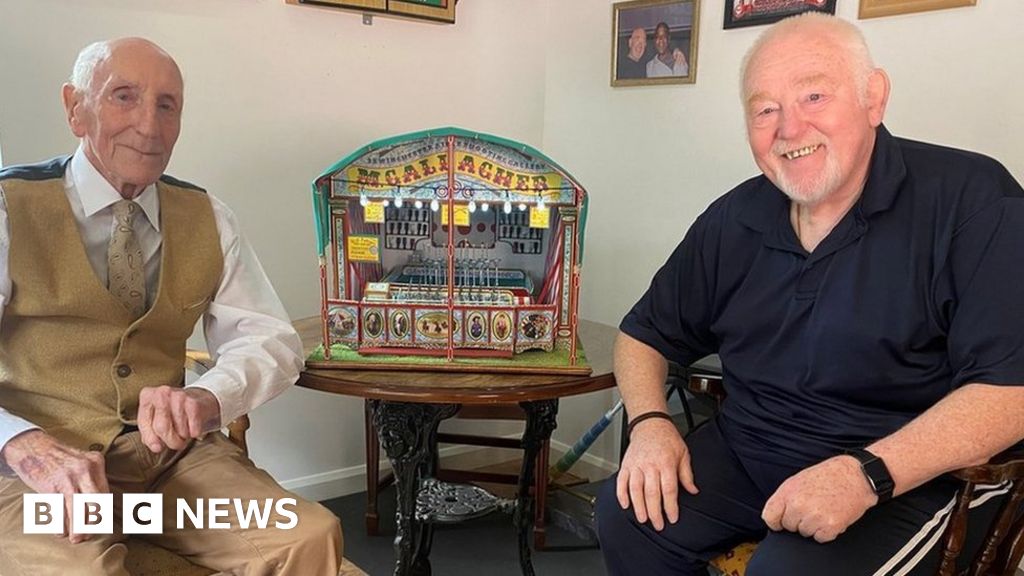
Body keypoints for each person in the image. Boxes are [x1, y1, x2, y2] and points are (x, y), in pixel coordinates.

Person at [597, 13, 1024, 576]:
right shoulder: (736, 217)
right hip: (753, 449)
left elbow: (1009, 390)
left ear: (875, 98)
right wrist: (650, 423)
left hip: (915, 476)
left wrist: (866, 474)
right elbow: (643, 334)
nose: (789, 129)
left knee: (789, 569)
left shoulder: (972, 200)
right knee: (629, 513)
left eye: (814, 96)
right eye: (764, 110)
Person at [0, 38, 346, 575]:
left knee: (307, 536)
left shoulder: (209, 216)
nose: (149, 124)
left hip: (166, 468)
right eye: (123, 96)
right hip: (35, 475)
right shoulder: (8, 209)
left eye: (168, 104)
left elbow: (270, 337)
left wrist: (209, 396)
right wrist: (23, 445)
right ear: (75, 108)